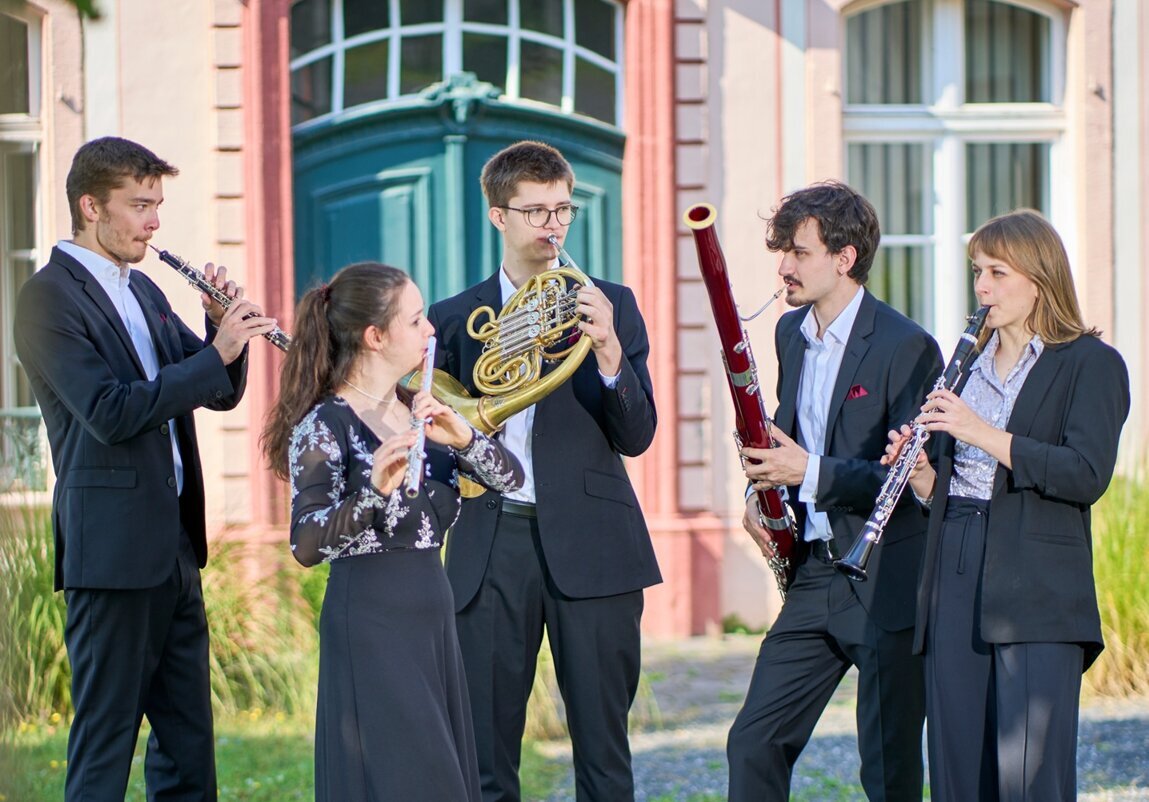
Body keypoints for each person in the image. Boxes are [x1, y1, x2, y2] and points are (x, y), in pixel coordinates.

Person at [13, 136, 276, 800]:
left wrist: (224, 334)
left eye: (157, 204)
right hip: (110, 556)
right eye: (140, 206)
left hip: (175, 556)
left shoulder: (149, 290)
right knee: (104, 749)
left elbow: (216, 390)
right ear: (90, 206)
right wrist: (215, 352)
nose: (155, 222)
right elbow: (109, 411)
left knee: (189, 751)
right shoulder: (46, 299)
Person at [427, 140, 660, 802]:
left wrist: (611, 349)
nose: (552, 226)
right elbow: (435, 445)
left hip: (593, 542)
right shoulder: (453, 320)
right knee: (483, 756)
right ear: (497, 216)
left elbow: (637, 436)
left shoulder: (608, 302)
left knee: (604, 756)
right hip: (489, 541)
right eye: (534, 212)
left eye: (562, 210)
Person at [885, 209, 1130, 801]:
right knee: (956, 769)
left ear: (1039, 278)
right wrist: (920, 478)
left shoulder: (1090, 364)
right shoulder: (962, 367)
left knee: (1029, 779)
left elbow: (1085, 473)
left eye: (997, 272)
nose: (982, 287)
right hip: (955, 564)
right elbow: (955, 485)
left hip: (1038, 582)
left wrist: (980, 432)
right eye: (977, 272)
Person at [260, 262, 524, 801]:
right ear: (375, 336)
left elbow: (511, 480)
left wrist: (465, 438)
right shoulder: (324, 425)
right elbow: (305, 544)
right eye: (417, 319)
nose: (431, 331)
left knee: (442, 777)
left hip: (432, 614)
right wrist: (374, 492)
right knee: (412, 782)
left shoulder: (422, 412)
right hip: (371, 620)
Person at [726, 181, 943, 801]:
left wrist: (809, 473)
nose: (783, 267)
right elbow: (789, 439)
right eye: (781, 252)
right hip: (816, 574)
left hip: (887, 575)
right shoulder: (791, 334)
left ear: (844, 259)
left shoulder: (907, 346)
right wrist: (759, 490)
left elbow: (910, 479)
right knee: (754, 741)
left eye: (798, 252)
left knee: (887, 766)